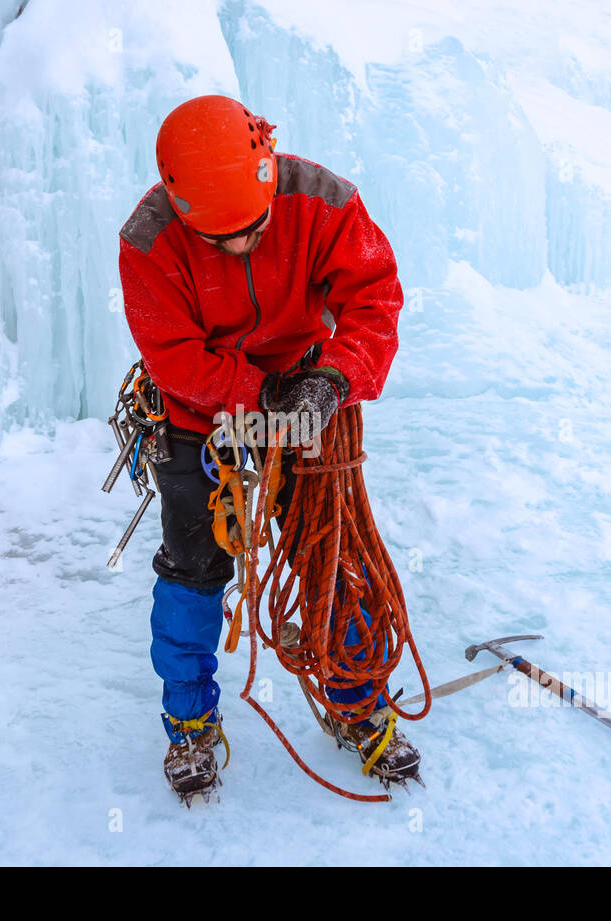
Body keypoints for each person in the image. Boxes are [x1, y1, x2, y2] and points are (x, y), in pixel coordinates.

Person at [117, 94, 417, 800]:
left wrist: (334, 380)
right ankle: (189, 726)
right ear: (180, 206)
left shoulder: (323, 201)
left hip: (307, 384)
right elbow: (176, 355)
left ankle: (357, 704)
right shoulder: (150, 241)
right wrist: (256, 398)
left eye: (253, 230)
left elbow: (374, 300)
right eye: (223, 240)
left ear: (268, 177)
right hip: (198, 407)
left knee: (329, 552)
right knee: (194, 564)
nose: (243, 246)